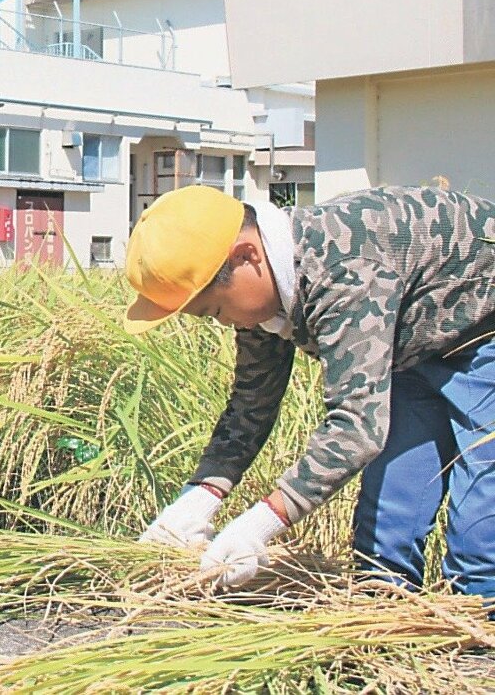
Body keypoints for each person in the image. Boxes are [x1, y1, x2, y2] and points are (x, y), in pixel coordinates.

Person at [127, 184, 495, 601]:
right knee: (384, 542)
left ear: (247, 256)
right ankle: (385, 622)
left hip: (486, 330)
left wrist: (259, 526)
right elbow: (252, 404)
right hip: (415, 344)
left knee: (480, 537)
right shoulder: (264, 297)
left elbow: (356, 426)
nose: (223, 322)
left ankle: (478, 636)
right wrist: (198, 499)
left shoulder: (345, 270)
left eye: (214, 310)